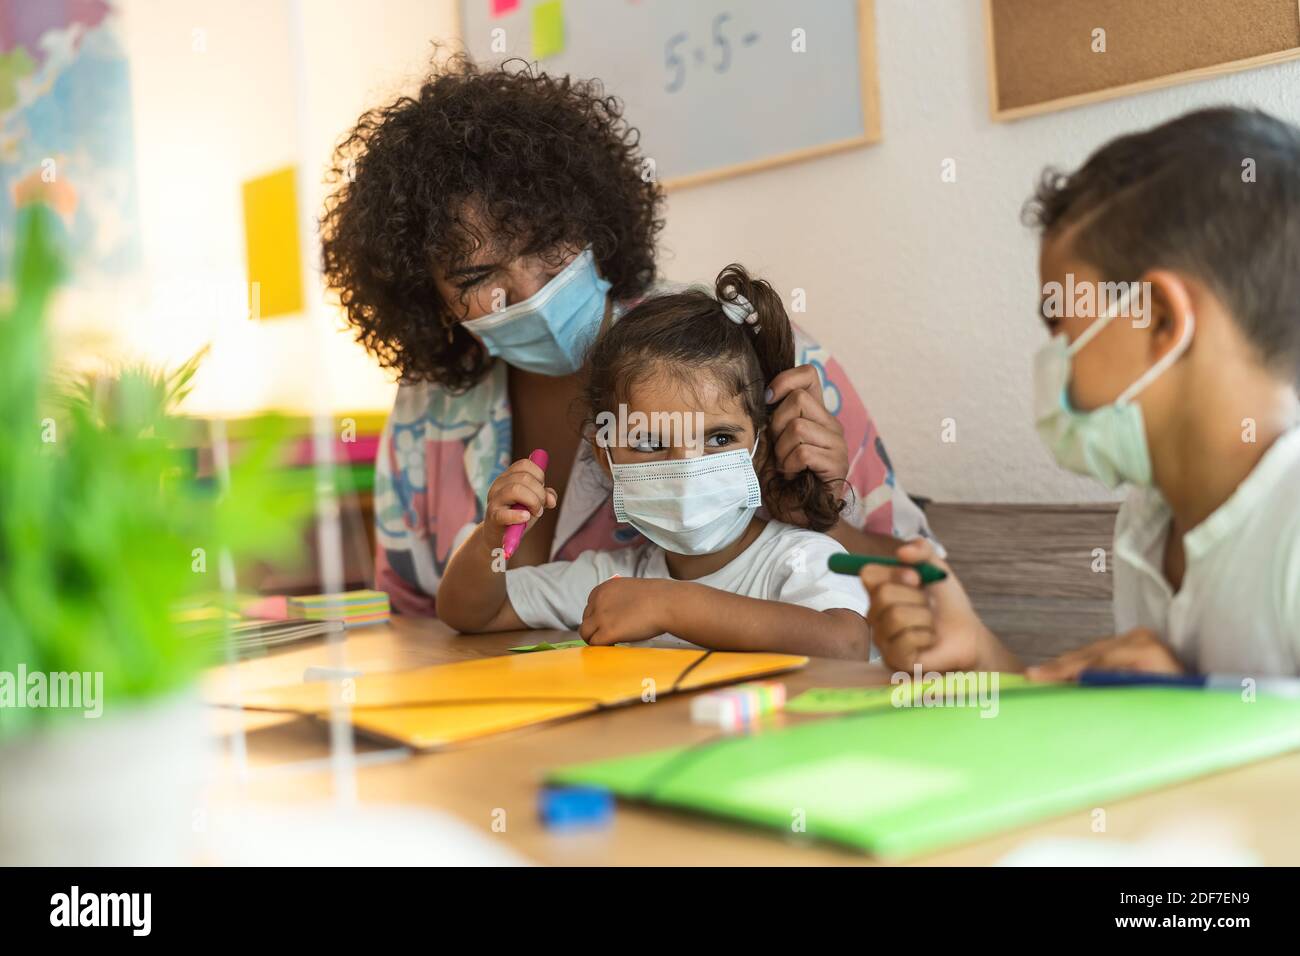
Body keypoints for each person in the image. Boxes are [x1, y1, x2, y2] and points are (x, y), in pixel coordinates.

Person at [320, 55, 933, 617]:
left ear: (594, 220)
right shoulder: (428, 410)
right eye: (478, 275)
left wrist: (819, 520)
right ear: (425, 293)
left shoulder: (753, 357)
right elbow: (411, 621)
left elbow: (921, 594)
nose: (529, 290)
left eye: (546, 244)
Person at [861, 107, 1300, 678]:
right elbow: (1134, 724)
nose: (1054, 362)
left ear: (1160, 320)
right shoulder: (1147, 522)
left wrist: (1194, 708)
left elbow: (1170, 717)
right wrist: (980, 654)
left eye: (1060, 325)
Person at [436, 265, 871, 658]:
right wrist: (492, 537)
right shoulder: (612, 580)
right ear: (605, 457)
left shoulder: (798, 558)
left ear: (761, 445)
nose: (685, 466)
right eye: (649, 442)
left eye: (719, 438)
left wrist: (672, 604)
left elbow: (845, 642)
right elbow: (475, 614)